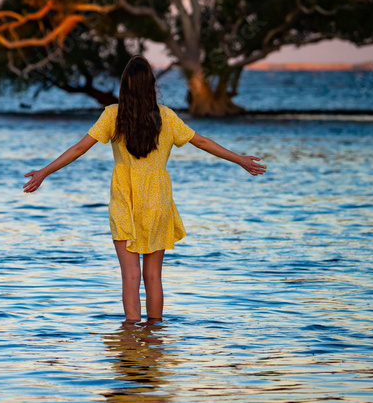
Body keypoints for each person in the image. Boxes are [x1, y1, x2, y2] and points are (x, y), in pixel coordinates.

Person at [22, 55, 266, 323]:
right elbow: (203, 142)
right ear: (151, 85)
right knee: (153, 277)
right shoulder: (167, 117)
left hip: (124, 201)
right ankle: (154, 335)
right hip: (157, 202)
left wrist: (44, 171)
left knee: (130, 276)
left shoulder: (112, 115)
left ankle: (129, 334)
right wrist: (240, 159)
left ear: (124, 85)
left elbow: (79, 148)